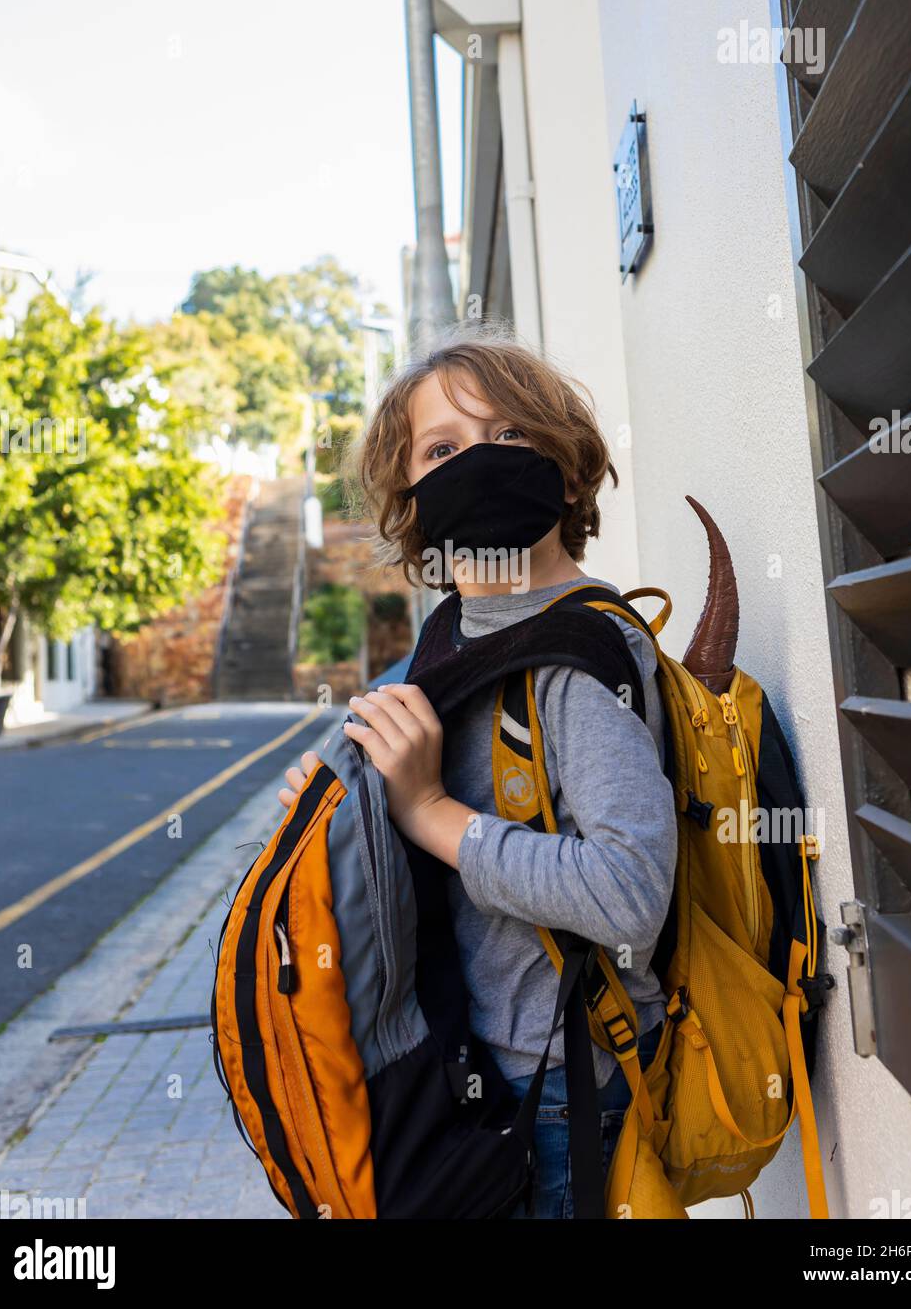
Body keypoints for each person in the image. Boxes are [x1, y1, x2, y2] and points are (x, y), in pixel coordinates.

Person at [279, 330, 678, 1220]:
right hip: (484, 1067)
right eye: (443, 449)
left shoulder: (577, 655)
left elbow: (628, 894)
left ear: (567, 474)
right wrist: (349, 807)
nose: (478, 463)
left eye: (508, 437)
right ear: (414, 496)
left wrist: (424, 811)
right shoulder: (456, 632)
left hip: (570, 1087)